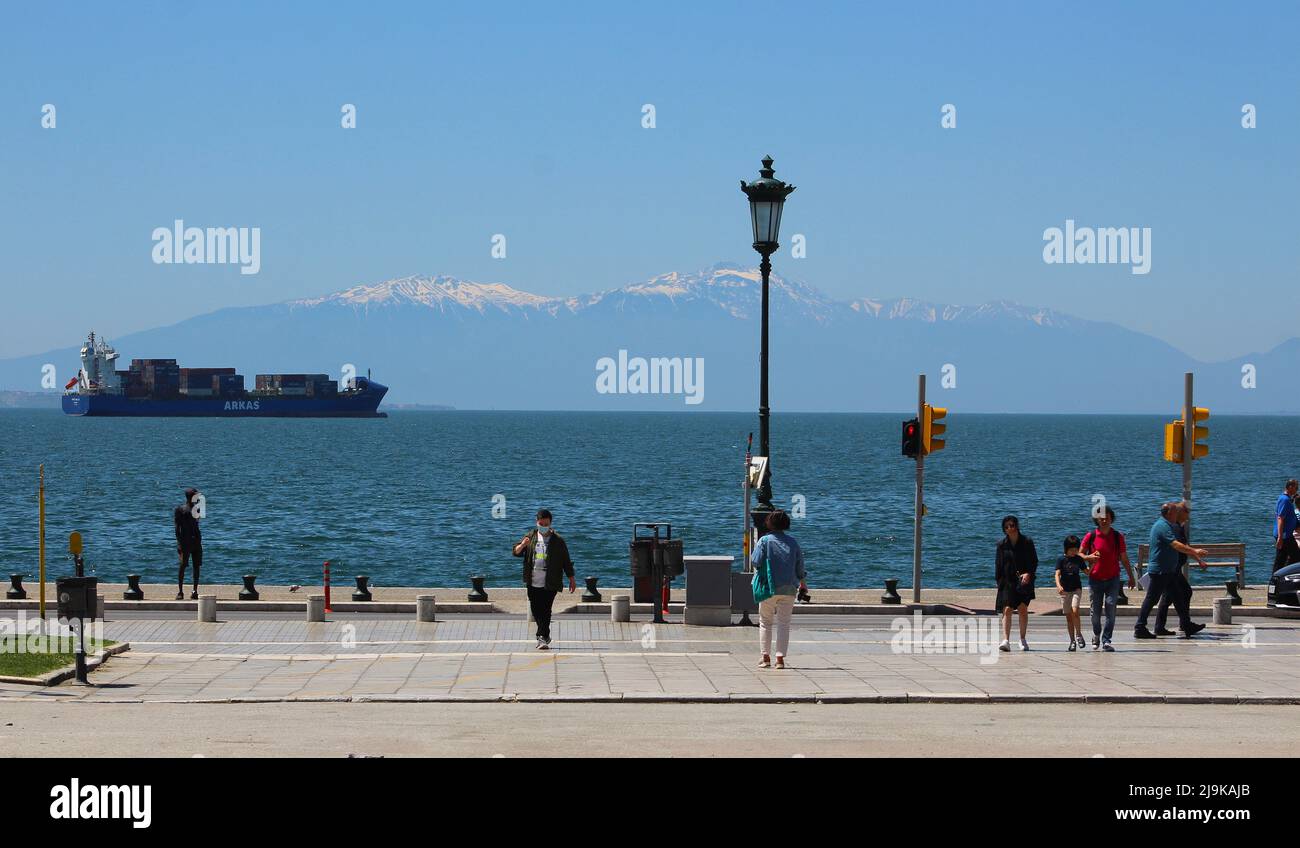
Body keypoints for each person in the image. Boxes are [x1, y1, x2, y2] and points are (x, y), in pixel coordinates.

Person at [1135, 502, 1209, 639]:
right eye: (1176, 512)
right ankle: (1140, 627)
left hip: (1168, 571)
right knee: (1151, 599)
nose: (1178, 514)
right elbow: (1175, 544)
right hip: (1160, 571)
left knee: (1179, 598)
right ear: (1169, 513)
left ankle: (1186, 626)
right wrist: (1195, 551)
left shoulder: (1167, 525)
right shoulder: (1163, 526)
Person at [749, 509, 807, 669]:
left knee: (765, 622)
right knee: (784, 623)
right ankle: (780, 659)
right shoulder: (793, 542)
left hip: (768, 586)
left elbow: (755, 561)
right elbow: (800, 567)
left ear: (769, 523)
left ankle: (765, 657)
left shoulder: (764, 541)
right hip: (789, 587)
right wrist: (803, 584)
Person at [512, 509, 576, 650]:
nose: (543, 526)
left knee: (546, 609)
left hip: (551, 581)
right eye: (541, 524)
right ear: (537, 522)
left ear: (550, 523)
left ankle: (541, 637)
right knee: (535, 609)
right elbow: (515, 552)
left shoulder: (558, 541)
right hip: (532, 580)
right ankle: (545, 635)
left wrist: (571, 578)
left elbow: (566, 560)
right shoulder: (531, 536)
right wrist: (523, 545)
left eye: (546, 524)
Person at [1079, 505, 1136, 652]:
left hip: (1113, 579)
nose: (1104, 520)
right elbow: (1079, 555)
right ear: (1097, 520)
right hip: (1095, 579)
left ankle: (1106, 640)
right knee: (1095, 613)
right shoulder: (1090, 536)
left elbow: (1124, 558)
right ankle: (1096, 634)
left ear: (1112, 519)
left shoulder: (1118, 537)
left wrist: (1131, 577)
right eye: (1101, 518)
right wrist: (1088, 557)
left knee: (1111, 609)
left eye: (1107, 518)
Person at [995, 516, 1037, 652]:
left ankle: (1022, 639)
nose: (1009, 528)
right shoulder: (1002, 544)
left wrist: (1028, 574)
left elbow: (1034, 561)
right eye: (1006, 527)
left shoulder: (1027, 542)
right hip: (1007, 581)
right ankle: (1006, 640)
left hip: (1024, 581)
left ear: (1017, 526)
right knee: (1006, 609)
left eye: (1012, 525)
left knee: (1022, 609)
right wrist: (999, 582)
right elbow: (998, 564)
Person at [1154, 500, 1194, 635]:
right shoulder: (1174, 527)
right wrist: (1196, 554)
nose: (1188, 514)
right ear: (1179, 512)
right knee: (1174, 595)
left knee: (1173, 595)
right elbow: (1176, 545)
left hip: (1173, 568)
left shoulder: (1178, 526)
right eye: (1186, 511)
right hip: (1172, 568)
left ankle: (1167, 626)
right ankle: (1184, 624)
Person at [1055, 535, 1088, 651]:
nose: (1074, 552)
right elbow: (1057, 574)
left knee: (1075, 610)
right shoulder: (1061, 559)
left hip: (1076, 589)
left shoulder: (1078, 559)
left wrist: (1095, 563)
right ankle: (1072, 641)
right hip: (1065, 591)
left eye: (1076, 549)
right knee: (1069, 618)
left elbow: (1087, 571)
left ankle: (1079, 635)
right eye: (1072, 550)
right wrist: (1058, 586)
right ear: (1066, 549)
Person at [173, 488, 203, 601]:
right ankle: (180, 591)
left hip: (196, 541)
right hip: (185, 542)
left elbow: (197, 522)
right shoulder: (180, 510)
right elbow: (177, 528)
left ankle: (195, 590)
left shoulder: (197, 509)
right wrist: (179, 543)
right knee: (183, 566)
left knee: (197, 566)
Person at [1273, 479, 1300, 574]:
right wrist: (1280, 537)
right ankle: (1281, 578)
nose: (1297, 489)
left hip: (1286, 535)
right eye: (1296, 487)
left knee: (1281, 559)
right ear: (1290, 487)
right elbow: (1280, 518)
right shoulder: (1284, 500)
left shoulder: (1287, 499)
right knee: (1296, 557)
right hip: (1285, 536)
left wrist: (1292, 499)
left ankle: (1276, 580)